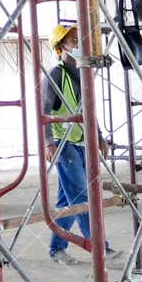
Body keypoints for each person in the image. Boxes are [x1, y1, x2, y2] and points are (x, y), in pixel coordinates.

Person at [44, 22, 96, 266]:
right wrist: (47, 142)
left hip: (81, 140)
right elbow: (43, 110)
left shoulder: (83, 72)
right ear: (61, 46)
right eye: (73, 40)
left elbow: (88, 108)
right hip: (62, 141)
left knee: (67, 199)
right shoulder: (56, 74)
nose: (78, 43)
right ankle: (98, 245)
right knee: (81, 194)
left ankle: (57, 249)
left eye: (78, 38)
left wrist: (100, 137)